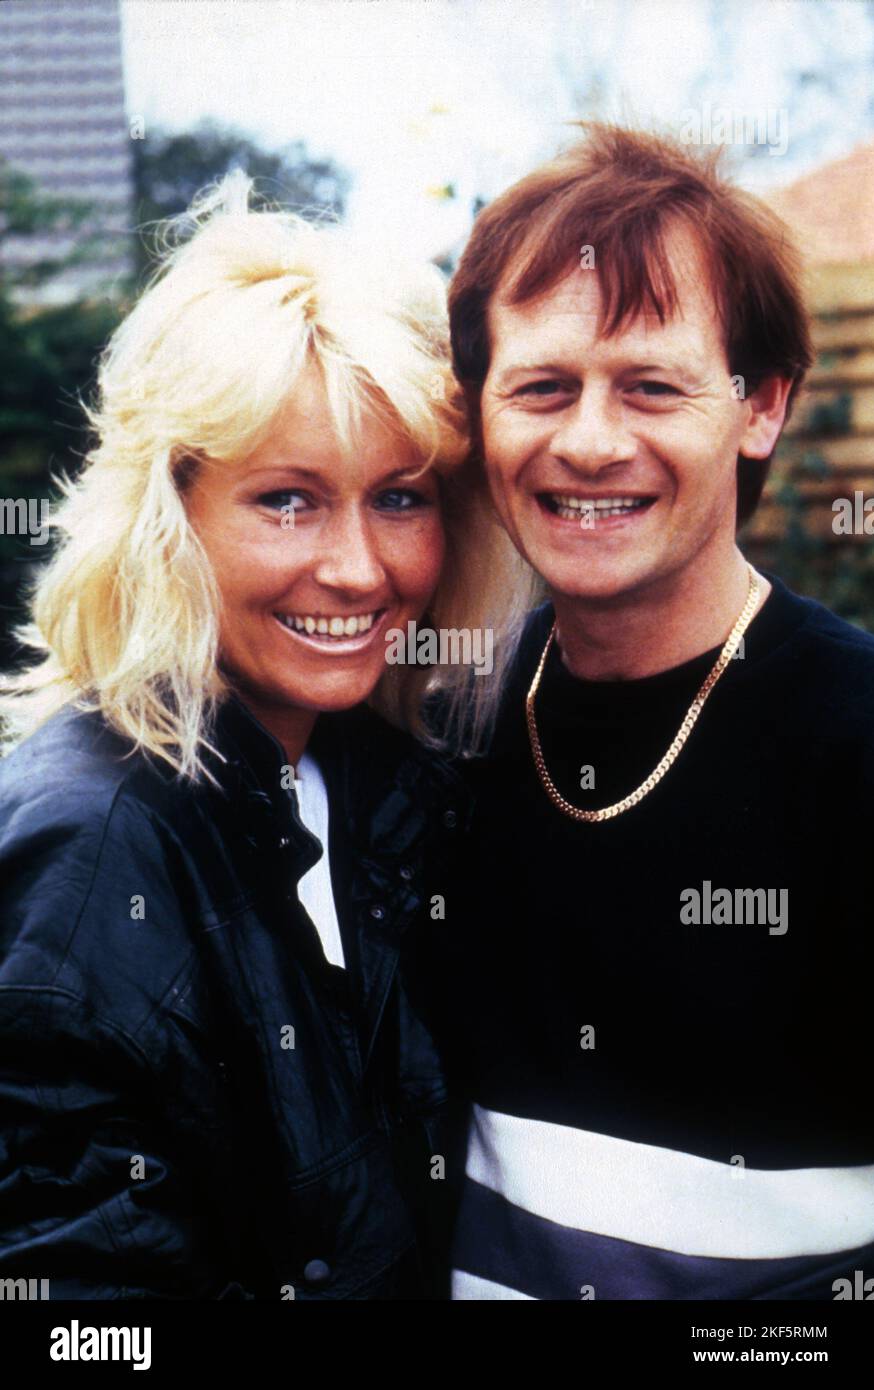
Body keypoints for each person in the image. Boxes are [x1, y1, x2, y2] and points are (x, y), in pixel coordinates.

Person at [0, 175, 527, 1300]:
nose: (355, 568)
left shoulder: (380, 776)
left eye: (399, 497)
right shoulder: (93, 849)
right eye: (286, 500)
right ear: (166, 515)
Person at [411, 124, 874, 1300]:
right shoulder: (439, 720)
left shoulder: (855, 738)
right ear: (478, 414)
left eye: (650, 385)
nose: (589, 440)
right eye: (541, 386)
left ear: (759, 407)